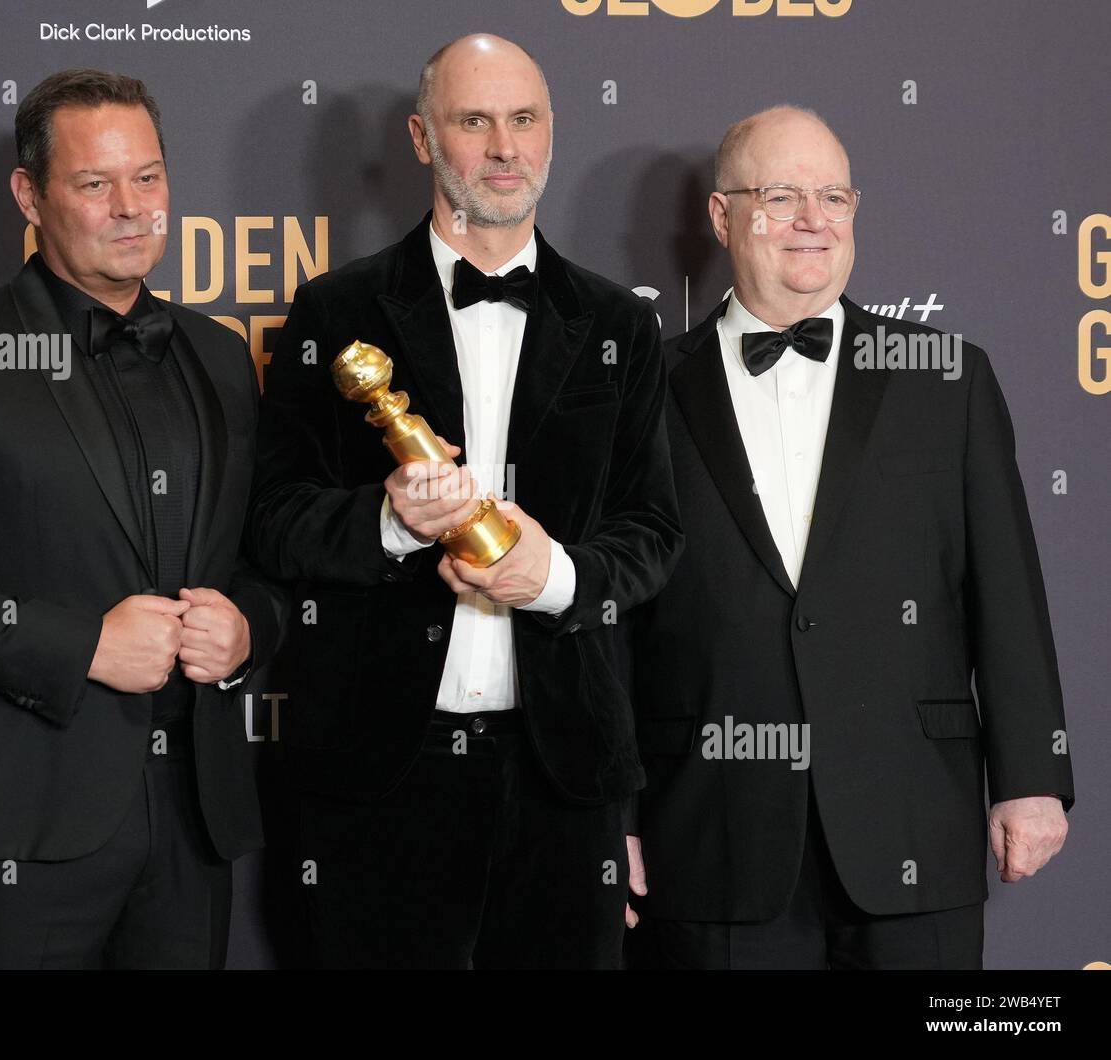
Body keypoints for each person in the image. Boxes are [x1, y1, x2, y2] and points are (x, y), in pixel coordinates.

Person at [247, 33, 681, 969]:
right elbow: (273, 518)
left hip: (565, 777)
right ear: (420, 137)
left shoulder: (618, 324)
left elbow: (653, 532)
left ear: (551, 132)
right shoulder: (334, 312)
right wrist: (389, 521)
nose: (503, 146)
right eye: (473, 120)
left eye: (523, 119)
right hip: (377, 780)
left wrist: (558, 575)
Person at [0, 68, 284, 969]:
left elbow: (257, 555)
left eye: (149, 177)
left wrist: (249, 628)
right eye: (95, 184)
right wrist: (82, 646)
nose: (133, 208)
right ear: (30, 195)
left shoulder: (217, 354)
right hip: (17, 821)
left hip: (192, 825)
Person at [627, 105, 1073, 969]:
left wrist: (1031, 780)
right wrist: (615, 819)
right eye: (782, 195)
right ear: (722, 218)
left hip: (914, 824)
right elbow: (609, 618)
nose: (814, 219)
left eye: (834, 195)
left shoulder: (949, 378)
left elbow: (1009, 594)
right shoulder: (643, 389)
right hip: (710, 836)